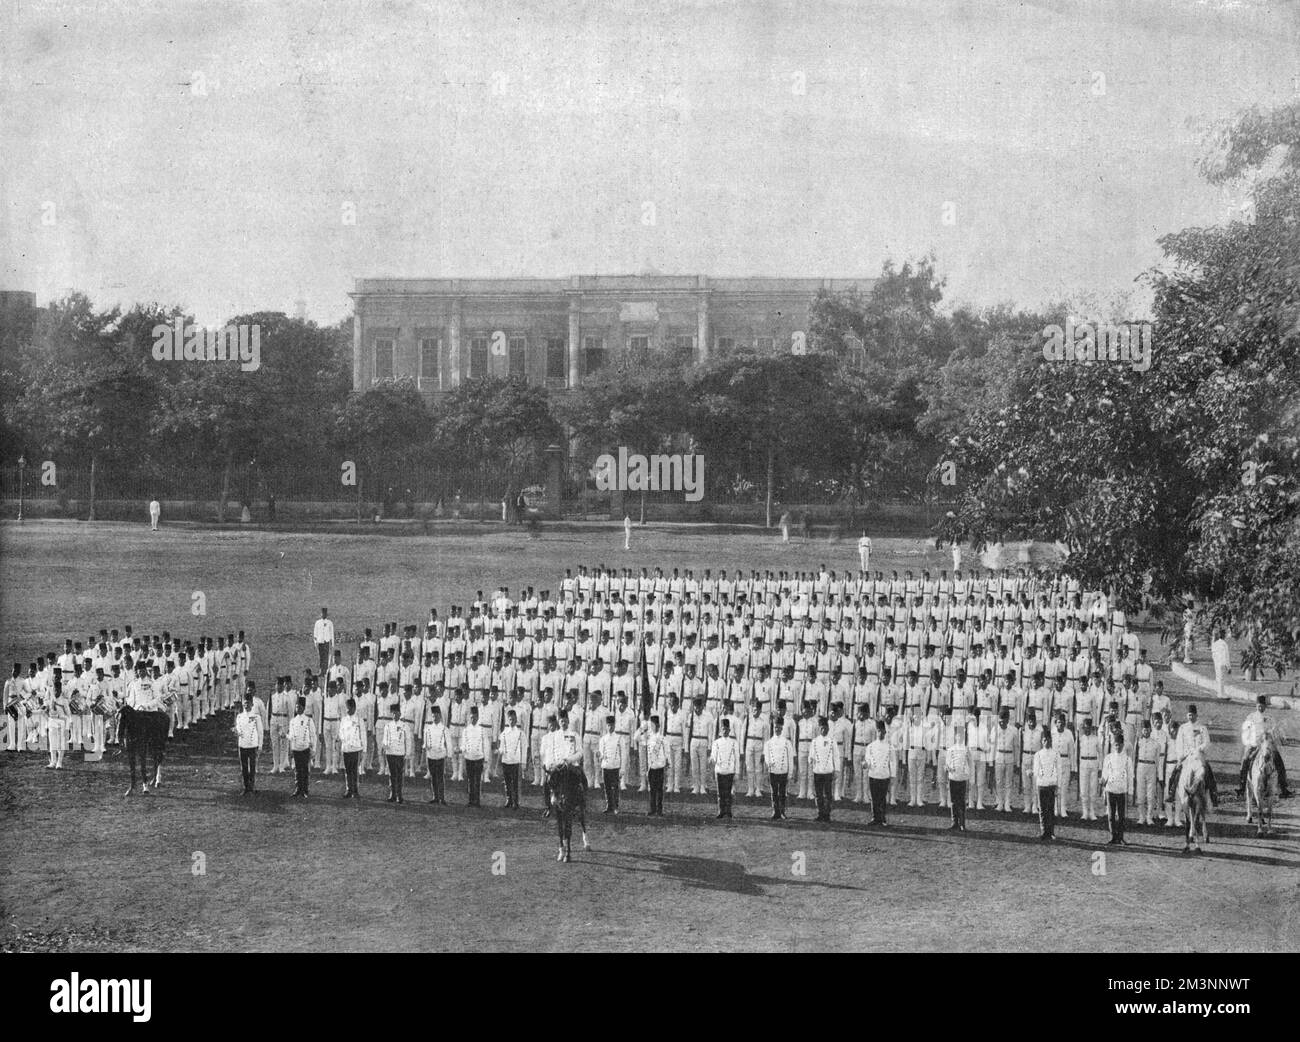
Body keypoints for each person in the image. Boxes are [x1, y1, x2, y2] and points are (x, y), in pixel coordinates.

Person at [1239, 694, 1291, 798]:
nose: (1260, 708)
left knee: (1278, 761)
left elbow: (1274, 732)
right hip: (1254, 743)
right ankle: (1241, 787)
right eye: (1259, 705)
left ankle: (1283, 788)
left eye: (1262, 706)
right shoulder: (1250, 717)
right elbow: (1246, 732)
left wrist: (1273, 736)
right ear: (1256, 706)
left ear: (1265, 706)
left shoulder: (1270, 718)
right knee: (1245, 760)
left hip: (1266, 743)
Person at [1102, 732, 1131, 845]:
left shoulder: (1127, 759)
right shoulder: (1108, 758)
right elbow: (1105, 774)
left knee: (1122, 816)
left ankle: (1121, 837)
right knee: (1111, 815)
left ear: (1123, 745)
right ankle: (1113, 836)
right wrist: (1103, 785)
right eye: (1115, 745)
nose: (1117, 747)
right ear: (1113, 745)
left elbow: (1130, 776)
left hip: (1122, 790)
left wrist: (1131, 792)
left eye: (1119, 744)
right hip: (1110, 789)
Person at [864, 721, 896, 826]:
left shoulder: (889, 747)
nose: (880, 733)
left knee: (882, 798)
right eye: (878, 731)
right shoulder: (870, 746)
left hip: (884, 775)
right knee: (874, 797)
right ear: (876, 732)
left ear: (885, 732)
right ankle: (875, 817)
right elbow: (868, 760)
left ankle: (882, 818)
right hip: (873, 775)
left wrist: (893, 776)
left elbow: (892, 762)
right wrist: (865, 764)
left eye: (882, 731)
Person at [765, 715, 794, 820]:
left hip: (783, 771)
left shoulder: (787, 743)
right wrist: (769, 763)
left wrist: (790, 773)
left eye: (779, 727)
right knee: (773, 792)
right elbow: (767, 757)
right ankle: (775, 811)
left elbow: (790, 759)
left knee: (782, 792)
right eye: (775, 727)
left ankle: (782, 811)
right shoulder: (768, 743)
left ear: (782, 728)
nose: (777, 729)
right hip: (773, 771)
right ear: (773, 728)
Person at [710, 718, 740, 819]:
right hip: (719, 770)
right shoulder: (716, 742)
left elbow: (737, 758)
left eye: (727, 729)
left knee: (728, 792)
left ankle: (728, 811)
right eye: (723, 729)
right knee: (720, 793)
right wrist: (712, 760)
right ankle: (721, 811)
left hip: (730, 770)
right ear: (720, 730)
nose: (725, 731)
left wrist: (737, 772)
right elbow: (714, 756)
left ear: (729, 730)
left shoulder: (734, 742)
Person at [809, 716, 837, 822]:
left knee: (828, 794)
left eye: (825, 728)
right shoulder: (815, 741)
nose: (824, 730)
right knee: (818, 794)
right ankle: (820, 813)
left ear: (828, 729)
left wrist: (837, 770)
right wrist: (810, 760)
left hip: (828, 771)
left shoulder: (832, 741)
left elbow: (836, 756)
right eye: (822, 728)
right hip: (818, 771)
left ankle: (827, 813)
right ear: (819, 729)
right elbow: (811, 755)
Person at [944, 724, 971, 831]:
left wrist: (967, 774)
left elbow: (970, 763)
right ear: (955, 736)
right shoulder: (950, 749)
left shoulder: (966, 749)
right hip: (953, 778)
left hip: (962, 779)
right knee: (954, 801)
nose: (959, 737)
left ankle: (962, 823)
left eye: (961, 735)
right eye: (958, 735)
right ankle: (954, 822)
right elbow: (947, 764)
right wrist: (949, 768)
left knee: (962, 801)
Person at [235, 692, 263, 795]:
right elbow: (238, 729)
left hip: (252, 745)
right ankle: (246, 787)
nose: (246, 705)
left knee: (252, 767)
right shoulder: (239, 717)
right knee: (244, 768)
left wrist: (260, 746)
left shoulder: (256, 717)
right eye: (245, 703)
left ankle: (252, 787)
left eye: (248, 703)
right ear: (243, 704)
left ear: (252, 704)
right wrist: (236, 731)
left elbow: (260, 732)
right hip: (242, 745)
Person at [1033, 727, 1058, 840]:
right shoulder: (1038, 754)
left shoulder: (1056, 754)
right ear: (1041, 741)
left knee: (1050, 809)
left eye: (1048, 740)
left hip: (1051, 785)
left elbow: (1058, 770)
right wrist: (1032, 773)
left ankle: (1051, 831)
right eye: (1044, 740)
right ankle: (1044, 831)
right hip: (1041, 785)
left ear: (1051, 740)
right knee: (1042, 809)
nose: (1046, 742)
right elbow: (1036, 770)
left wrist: (1057, 785)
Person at [381, 702, 408, 803]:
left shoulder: (404, 726)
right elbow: (385, 738)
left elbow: (408, 740)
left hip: (400, 753)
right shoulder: (388, 726)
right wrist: (385, 746)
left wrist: (407, 752)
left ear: (400, 714)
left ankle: (399, 795)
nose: (395, 715)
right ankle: (392, 794)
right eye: (393, 713)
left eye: (397, 713)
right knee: (392, 774)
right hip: (390, 752)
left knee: (399, 774)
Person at [288, 697, 315, 798]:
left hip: (305, 748)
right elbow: (291, 736)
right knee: (297, 770)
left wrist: (314, 748)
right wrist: (285, 736)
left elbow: (313, 735)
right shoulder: (293, 721)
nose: (297, 708)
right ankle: (298, 788)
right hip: (296, 748)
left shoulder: (308, 720)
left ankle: (305, 790)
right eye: (296, 706)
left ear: (303, 708)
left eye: (299, 707)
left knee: (305, 769)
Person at [423, 705, 450, 804]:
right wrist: (426, 747)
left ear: (440, 716)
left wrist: (449, 755)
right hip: (431, 755)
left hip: (440, 756)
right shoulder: (428, 728)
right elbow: (425, 743)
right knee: (433, 777)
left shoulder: (444, 728)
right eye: (433, 716)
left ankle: (442, 798)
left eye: (437, 716)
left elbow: (449, 743)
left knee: (440, 777)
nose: (435, 718)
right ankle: (435, 796)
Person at [462, 705, 487, 806]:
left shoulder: (482, 730)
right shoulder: (466, 730)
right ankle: (471, 800)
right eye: (472, 717)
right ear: (469, 717)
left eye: (475, 717)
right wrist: (461, 750)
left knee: (477, 780)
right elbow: (464, 744)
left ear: (478, 717)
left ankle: (477, 801)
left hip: (479, 758)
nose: (473, 719)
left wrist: (486, 760)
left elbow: (485, 746)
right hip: (469, 758)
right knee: (470, 780)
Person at [498, 709, 524, 808]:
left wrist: (523, 762)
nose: (512, 721)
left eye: (513, 719)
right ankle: (509, 799)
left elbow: (523, 748)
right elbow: (502, 746)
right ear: (507, 720)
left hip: (515, 761)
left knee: (515, 782)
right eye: (510, 719)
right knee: (507, 781)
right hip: (506, 760)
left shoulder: (520, 733)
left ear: (516, 719)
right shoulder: (504, 733)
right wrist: (500, 751)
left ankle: (516, 801)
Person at [338, 697, 363, 798]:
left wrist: (363, 749)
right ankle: (349, 789)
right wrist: (344, 740)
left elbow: (363, 734)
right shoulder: (344, 719)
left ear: (354, 708)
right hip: (346, 748)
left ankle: (355, 790)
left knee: (354, 770)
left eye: (350, 708)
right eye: (347, 708)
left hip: (356, 748)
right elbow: (340, 732)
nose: (348, 710)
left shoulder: (359, 720)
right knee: (347, 770)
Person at [644, 714, 668, 816]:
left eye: (654, 725)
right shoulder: (648, 738)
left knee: (659, 789)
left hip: (660, 767)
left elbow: (667, 752)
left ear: (658, 726)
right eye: (651, 725)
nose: (653, 727)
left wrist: (667, 763)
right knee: (652, 789)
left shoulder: (662, 738)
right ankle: (652, 809)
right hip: (651, 767)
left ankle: (659, 809)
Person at [598, 714, 622, 813]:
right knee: (607, 787)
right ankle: (609, 806)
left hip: (615, 766)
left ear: (614, 725)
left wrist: (622, 767)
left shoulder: (619, 738)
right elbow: (601, 752)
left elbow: (622, 753)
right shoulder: (603, 739)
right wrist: (600, 755)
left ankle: (615, 806)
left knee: (615, 787)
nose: (610, 727)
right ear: (606, 726)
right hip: (605, 766)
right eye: (608, 725)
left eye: (612, 725)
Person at [313, 608, 335, 678]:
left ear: (326, 614)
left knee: (326, 657)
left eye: (325, 613)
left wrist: (332, 643)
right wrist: (315, 642)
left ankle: (325, 671)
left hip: (326, 642)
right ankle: (321, 671)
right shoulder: (317, 622)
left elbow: (332, 633)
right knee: (321, 657)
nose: (324, 615)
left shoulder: (329, 623)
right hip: (320, 642)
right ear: (321, 614)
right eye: (323, 613)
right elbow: (315, 633)